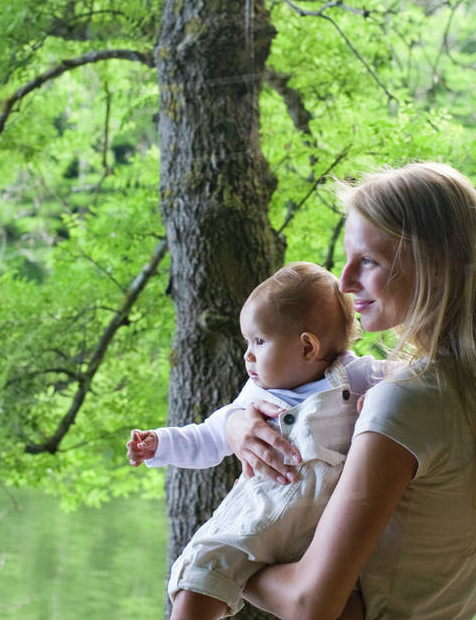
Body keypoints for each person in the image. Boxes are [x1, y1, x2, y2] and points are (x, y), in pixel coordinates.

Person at [225, 162, 476, 620]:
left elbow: (309, 602)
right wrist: (238, 420)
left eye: (369, 261)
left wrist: (220, 558)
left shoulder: (408, 401)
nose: (344, 281)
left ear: (435, 266)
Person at [127, 261, 385, 620]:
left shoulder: (356, 377)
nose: (247, 354)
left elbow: (415, 382)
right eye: (248, 341)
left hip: (330, 530)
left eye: (259, 341)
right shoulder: (253, 400)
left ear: (308, 347)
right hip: (260, 512)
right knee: (200, 570)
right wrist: (160, 444)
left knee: (347, 604)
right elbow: (208, 435)